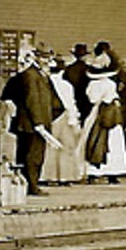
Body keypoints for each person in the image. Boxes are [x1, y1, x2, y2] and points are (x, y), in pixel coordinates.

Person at [0, 48, 64, 192]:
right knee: (32, 155)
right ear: (37, 58)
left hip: (36, 121)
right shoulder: (30, 75)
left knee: (32, 154)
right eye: (43, 58)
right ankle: (31, 185)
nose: (47, 61)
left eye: (48, 58)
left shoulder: (41, 75)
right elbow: (32, 100)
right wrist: (39, 122)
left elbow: (53, 101)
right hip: (32, 123)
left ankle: (29, 183)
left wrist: (50, 116)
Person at [41, 53, 85, 185]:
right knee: (66, 147)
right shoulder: (66, 85)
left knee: (50, 147)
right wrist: (74, 120)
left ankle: (48, 176)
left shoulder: (46, 83)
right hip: (64, 117)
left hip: (50, 117)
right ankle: (65, 176)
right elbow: (70, 104)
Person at [82, 68, 126, 181]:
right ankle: (113, 172)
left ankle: (93, 172)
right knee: (114, 143)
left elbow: (92, 99)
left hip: (97, 112)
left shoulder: (92, 85)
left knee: (92, 140)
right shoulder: (111, 84)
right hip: (111, 115)